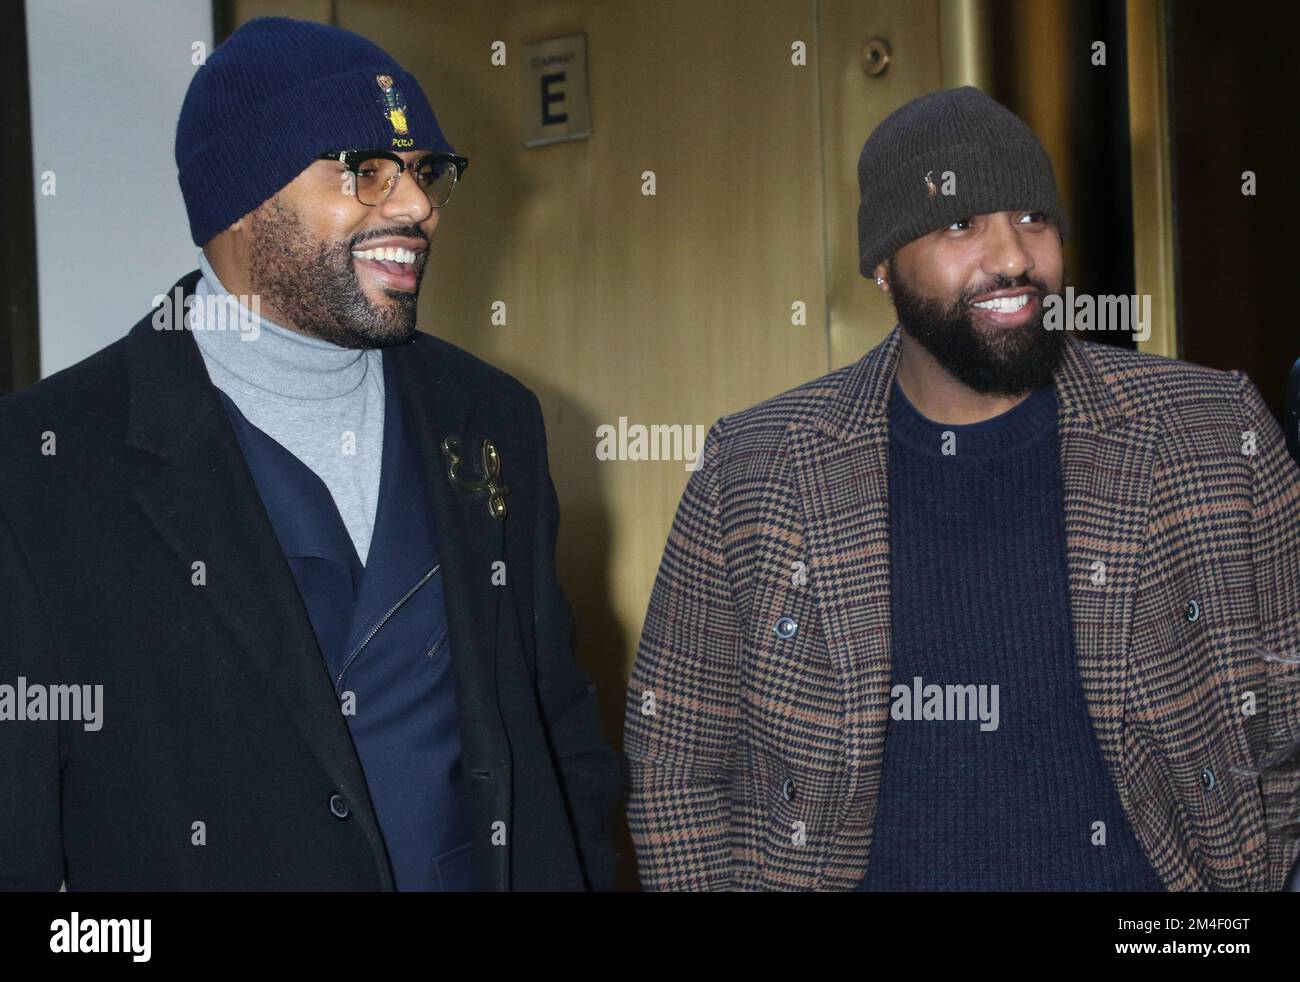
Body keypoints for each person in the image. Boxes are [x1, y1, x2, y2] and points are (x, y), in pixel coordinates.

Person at [0, 16, 621, 891]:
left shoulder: (491, 420)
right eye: (364, 170)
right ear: (241, 201)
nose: (416, 205)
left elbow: (559, 740)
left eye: (426, 171)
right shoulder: (41, 465)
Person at [625, 86, 1300, 891]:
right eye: (960, 225)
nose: (1013, 257)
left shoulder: (1215, 432)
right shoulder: (757, 468)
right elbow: (677, 762)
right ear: (882, 263)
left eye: (1033, 219)